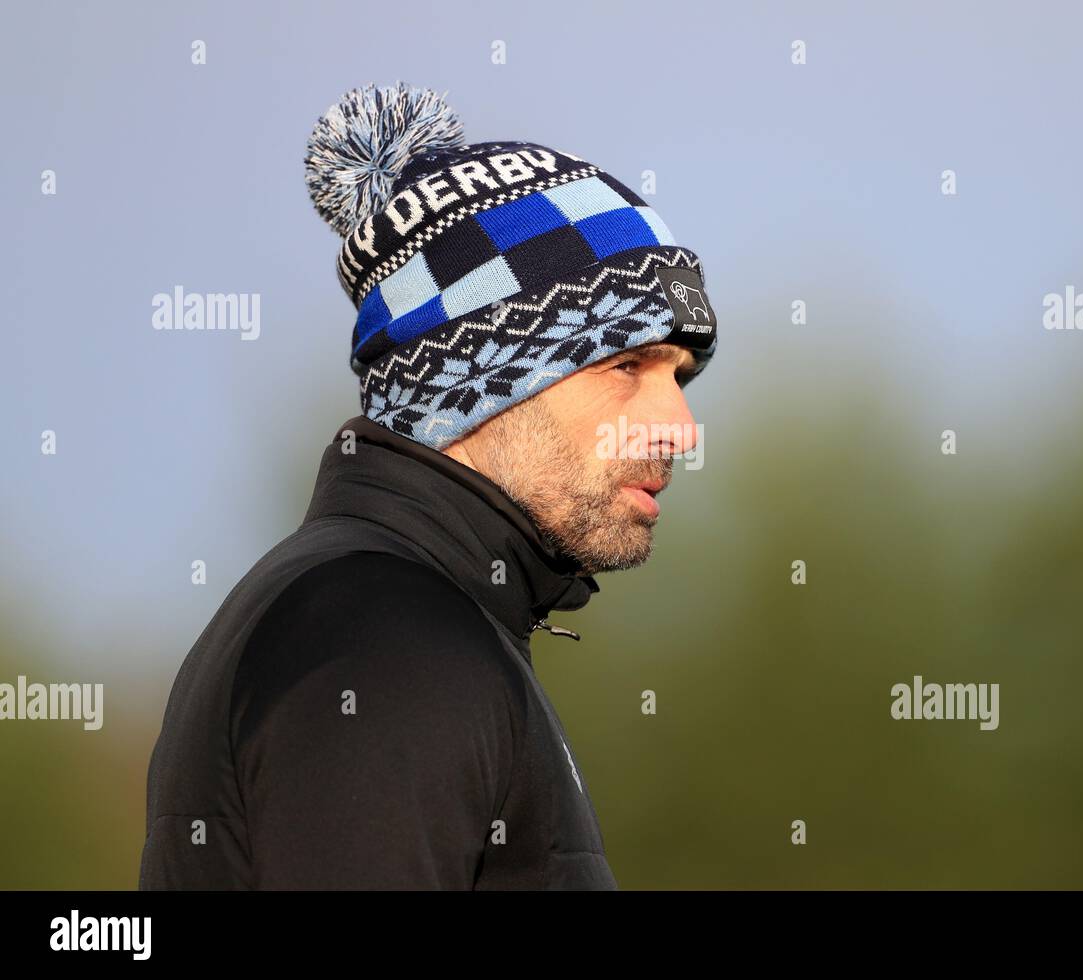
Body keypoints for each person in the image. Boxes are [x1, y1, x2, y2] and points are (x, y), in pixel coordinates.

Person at [138, 81, 718, 889]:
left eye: (681, 376)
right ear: (477, 376)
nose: (680, 429)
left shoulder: (388, 614)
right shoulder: (381, 639)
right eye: (625, 365)